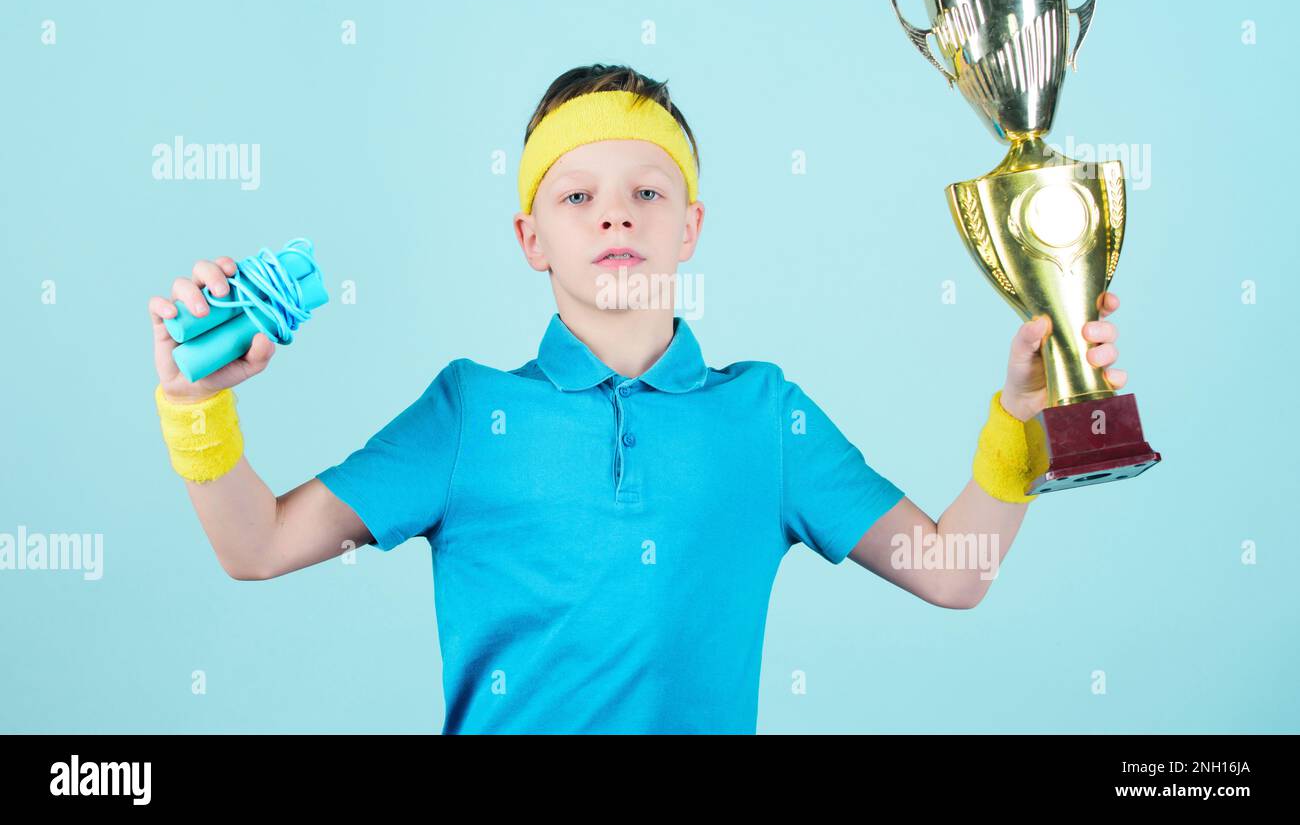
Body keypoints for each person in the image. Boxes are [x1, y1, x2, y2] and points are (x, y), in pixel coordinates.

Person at [148, 63, 1127, 733]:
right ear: (529, 238)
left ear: (690, 226)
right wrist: (197, 406)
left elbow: (952, 573)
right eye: (576, 196)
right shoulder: (466, 415)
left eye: (646, 191)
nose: (614, 209)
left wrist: (1024, 420)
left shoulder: (765, 416)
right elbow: (255, 546)